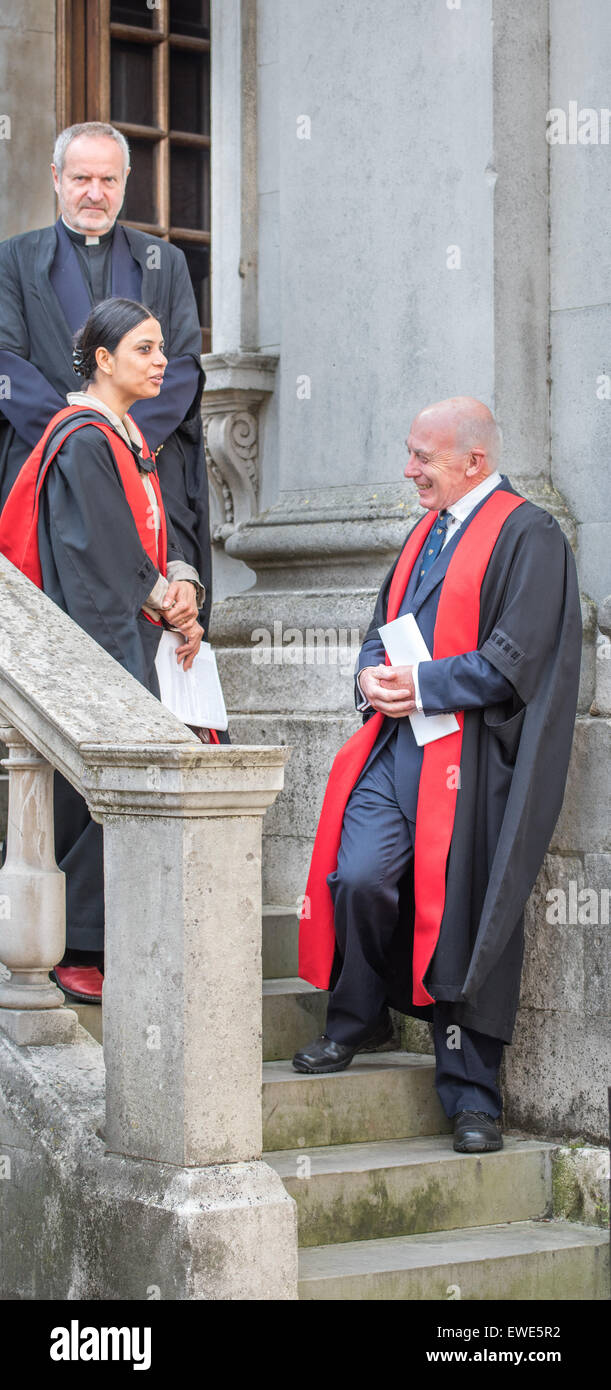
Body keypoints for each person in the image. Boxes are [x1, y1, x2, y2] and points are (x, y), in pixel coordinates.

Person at [294, 396, 582, 1154]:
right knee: (357, 877)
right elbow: (376, 631)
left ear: (472, 462)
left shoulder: (529, 536)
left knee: (462, 915)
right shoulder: (425, 530)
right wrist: (370, 681)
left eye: (422, 456)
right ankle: (355, 1019)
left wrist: (419, 686)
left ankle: (470, 1096)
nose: (408, 469)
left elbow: (515, 660)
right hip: (399, 752)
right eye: (410, 452)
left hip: (474, 764)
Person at [0, 298, 208, 1006]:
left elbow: (153, 539)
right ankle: (78, 946)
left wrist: (178, 591)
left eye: (160, 350)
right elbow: (96, 555)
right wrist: (157, 600)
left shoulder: (124, 437)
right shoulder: (85, 438)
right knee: (93, 794)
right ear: (103, 359)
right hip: (97, 639)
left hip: (135, 625)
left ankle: (112, 934)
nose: (161, 362)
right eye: (145, 349)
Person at [0, 120, 213, 633]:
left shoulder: (166, 262)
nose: (95, 193)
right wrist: (81, 438)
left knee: (150, 620)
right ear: (56, 177)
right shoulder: (11, 259)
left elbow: (183, 366)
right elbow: (6, 363)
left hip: (148, 458)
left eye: (109, 180)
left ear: (126, 181)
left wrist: (127, 440)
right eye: (80, 179)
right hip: (46, 458)